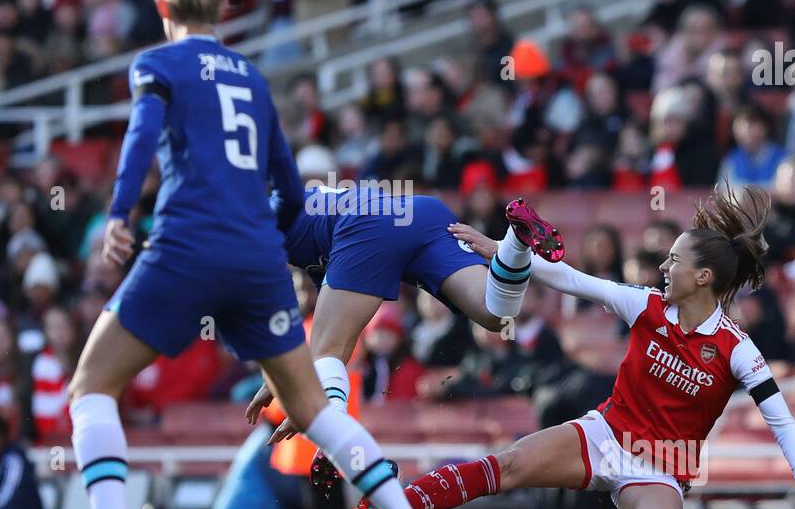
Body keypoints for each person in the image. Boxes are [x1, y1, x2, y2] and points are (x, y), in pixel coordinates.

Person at [39, 0, 445, 509]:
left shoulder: (157, 64)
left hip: (185, 244)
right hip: (257, 253)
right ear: (222, 10)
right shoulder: (252, 78)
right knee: (312, 407)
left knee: (92, 384)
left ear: (161, 5)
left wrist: (120, 214)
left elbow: (140, 137)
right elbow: (287, 185)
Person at [352, 185, 795, 509]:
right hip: (605, 435)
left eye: (675, 260)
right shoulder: (645, 305)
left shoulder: (736, 347)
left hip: (661, 464)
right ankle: (393, 502)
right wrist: (502, 252)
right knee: (509, 466)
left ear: (702, 277)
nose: (664, 266)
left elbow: (780, 418)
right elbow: (570, 279)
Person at [242, 193, 565, 485]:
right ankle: (516, 241)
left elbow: (299, 329)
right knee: (494, 314)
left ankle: (333, 440)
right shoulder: (286, 222)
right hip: (419, 213)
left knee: (328, 351)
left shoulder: (253, 224)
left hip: (368, 223)